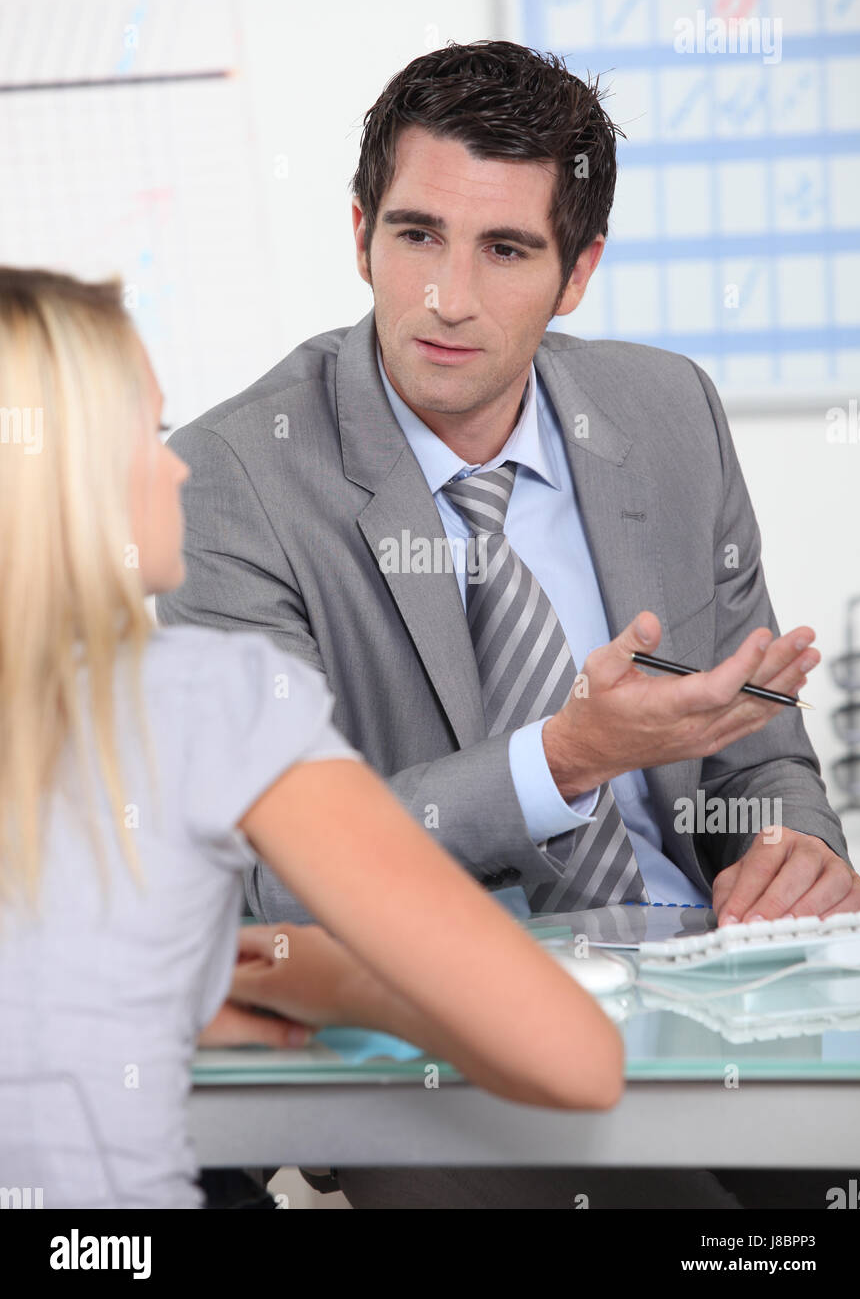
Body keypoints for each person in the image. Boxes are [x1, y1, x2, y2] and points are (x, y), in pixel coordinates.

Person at [157, 39, 860, 1209]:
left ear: (576, 270)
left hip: (709, 998)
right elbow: (278, 886)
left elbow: (760, 733)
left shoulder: (667, 409)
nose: (445, 297)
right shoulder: (235, 478)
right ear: (358, 236)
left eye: (505, 250)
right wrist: (565, 756)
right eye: (415, 234)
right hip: (432, 1032)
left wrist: (794, 851)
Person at [0, 266, 628, 1210]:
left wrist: (156, 1005)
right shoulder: (202, 699)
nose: (178, 466)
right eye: (146, 434)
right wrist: (347, 988)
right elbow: (577, 1060)